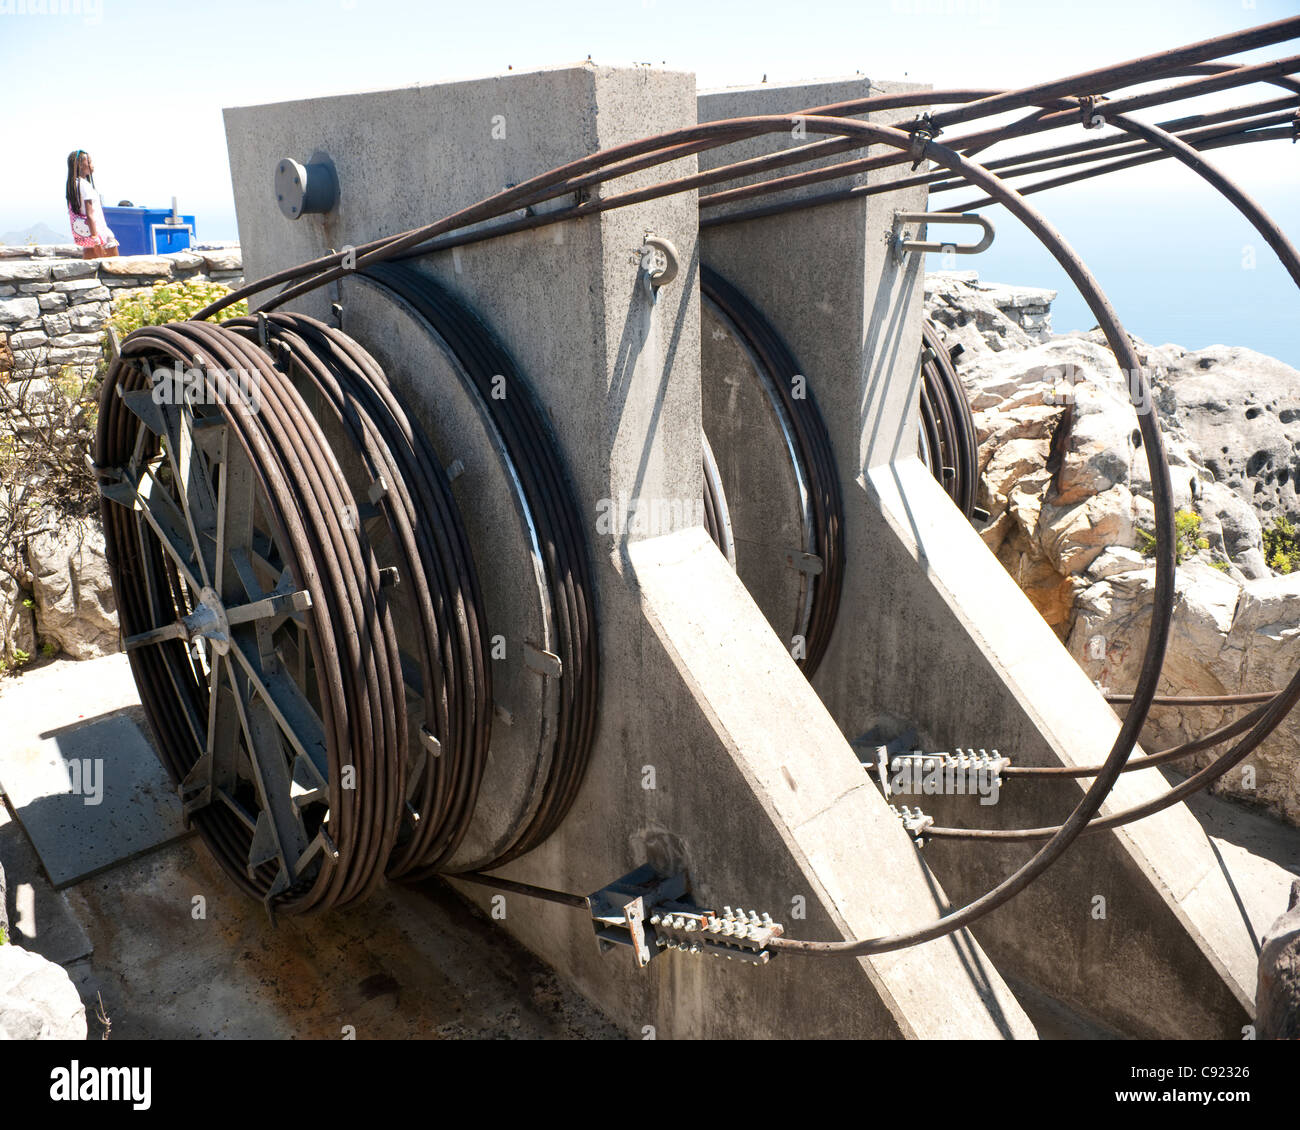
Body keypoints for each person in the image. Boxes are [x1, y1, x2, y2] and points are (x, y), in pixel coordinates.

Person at [65, 150, 118, 259]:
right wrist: (96, 240)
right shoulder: (85, 186)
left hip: (86, 235)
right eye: (89, 161)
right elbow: (90, 215)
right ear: (80, 165)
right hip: (99, 234)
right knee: (115, 266)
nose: (92, 165)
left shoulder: (73, 185)